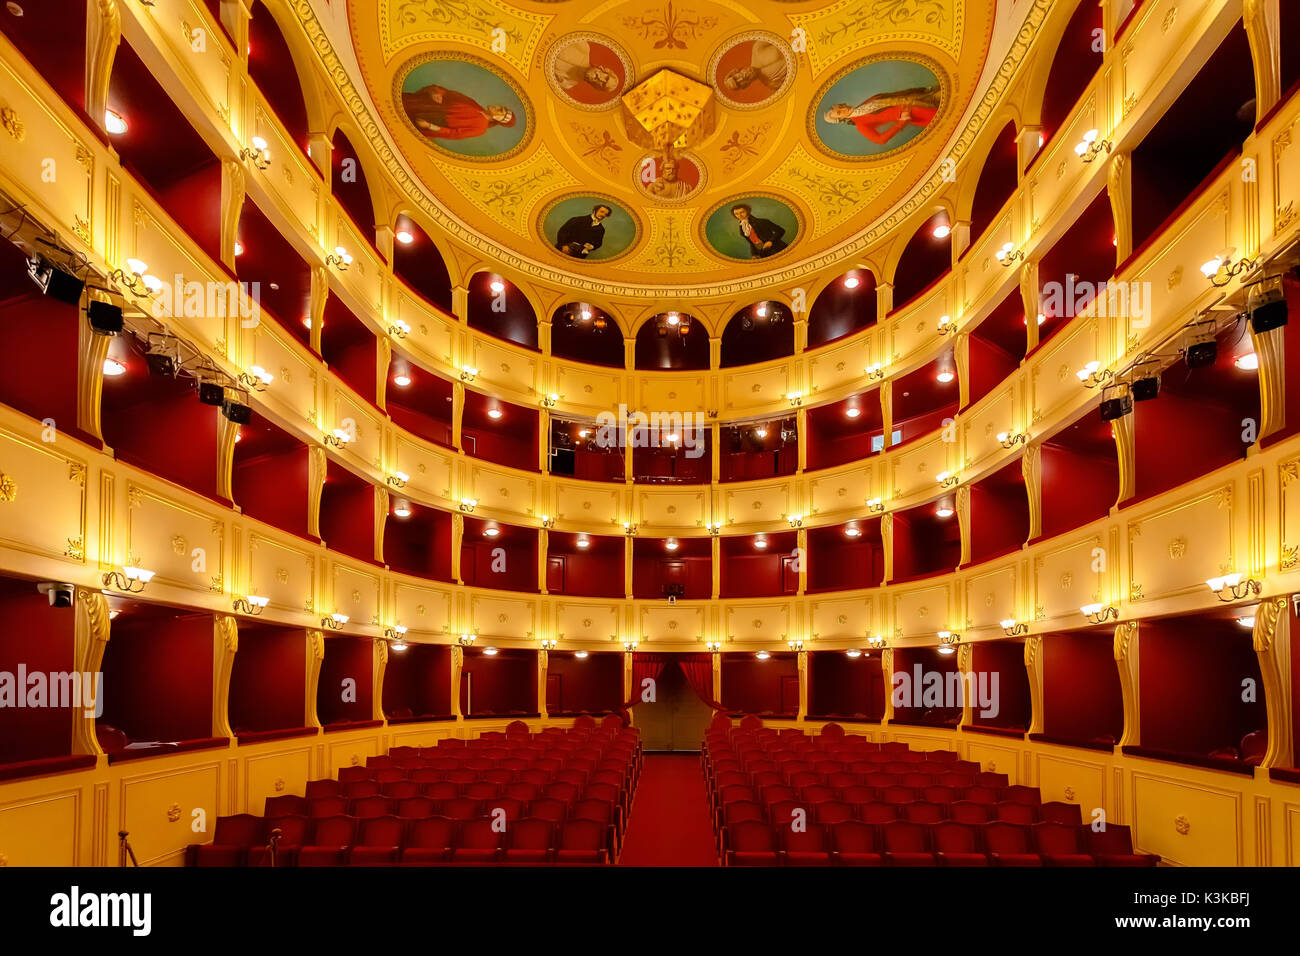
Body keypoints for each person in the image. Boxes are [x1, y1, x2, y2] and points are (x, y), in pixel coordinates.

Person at [823, 85, 940, 145]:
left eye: (841, 106)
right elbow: (880, 140)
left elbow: (895, 94)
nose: (844, 108)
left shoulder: (868, 101)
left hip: (922, 96)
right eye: (839, 112)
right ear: (841, 119)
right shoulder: (861, 125)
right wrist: (901, 123)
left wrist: (922, 90)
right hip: (918, 112)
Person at [402, 83, 516, 141]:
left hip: (431, 120)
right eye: (501, 107)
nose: (497, 106)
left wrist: (429, 125)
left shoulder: (480, 128)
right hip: (425, 105)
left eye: (500, 110)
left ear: (498, 119)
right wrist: (436, 93)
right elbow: (448, 94)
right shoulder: (475, 105)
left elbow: (453, 134)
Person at [552, 40, 621, 99]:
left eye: (603, 84)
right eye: (606, 78)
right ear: (602, 69)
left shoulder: (566, 83)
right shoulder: (583, 48)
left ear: (596, 87)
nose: (600, 79)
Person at [722, 40, 789, 96]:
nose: (742, 78)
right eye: (739, 83)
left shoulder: (757, 49)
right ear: (746, 86)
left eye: (736, 78)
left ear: (736, 71)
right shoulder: (772, 83)